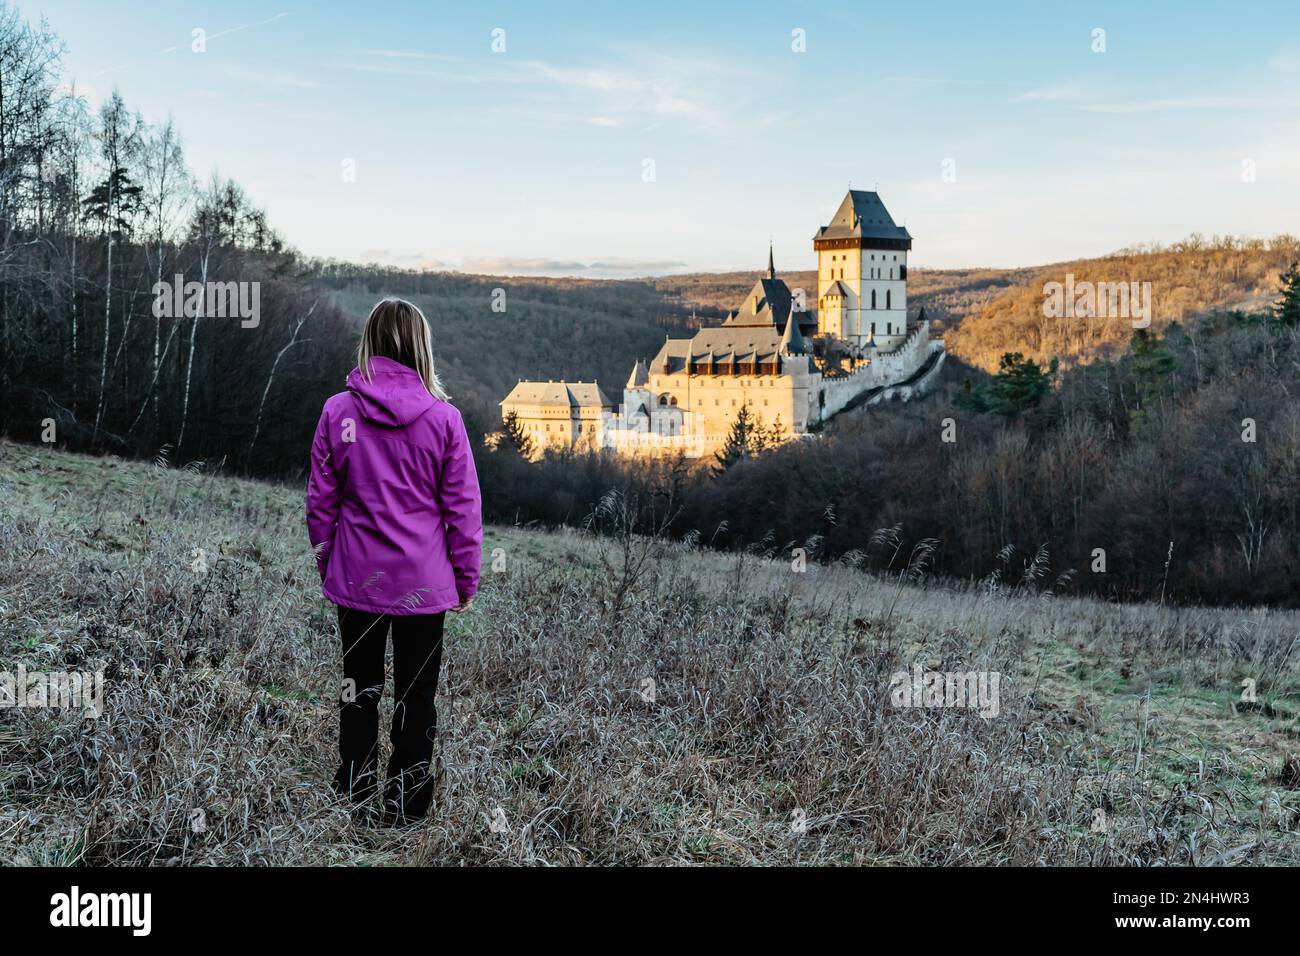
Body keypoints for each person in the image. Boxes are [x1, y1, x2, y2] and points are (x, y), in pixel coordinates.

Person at [305, 297, 481, 826]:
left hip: (357, 576)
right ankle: (405, 806)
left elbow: (320, 503)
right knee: (417, 693)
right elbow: (463, 511)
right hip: (423, 586)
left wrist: (329, 565)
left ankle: (355, 796)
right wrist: (466, 580)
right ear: (421, 347)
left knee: (357, 687)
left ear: (371, 343)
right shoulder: (445, 420)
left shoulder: (338, 411)